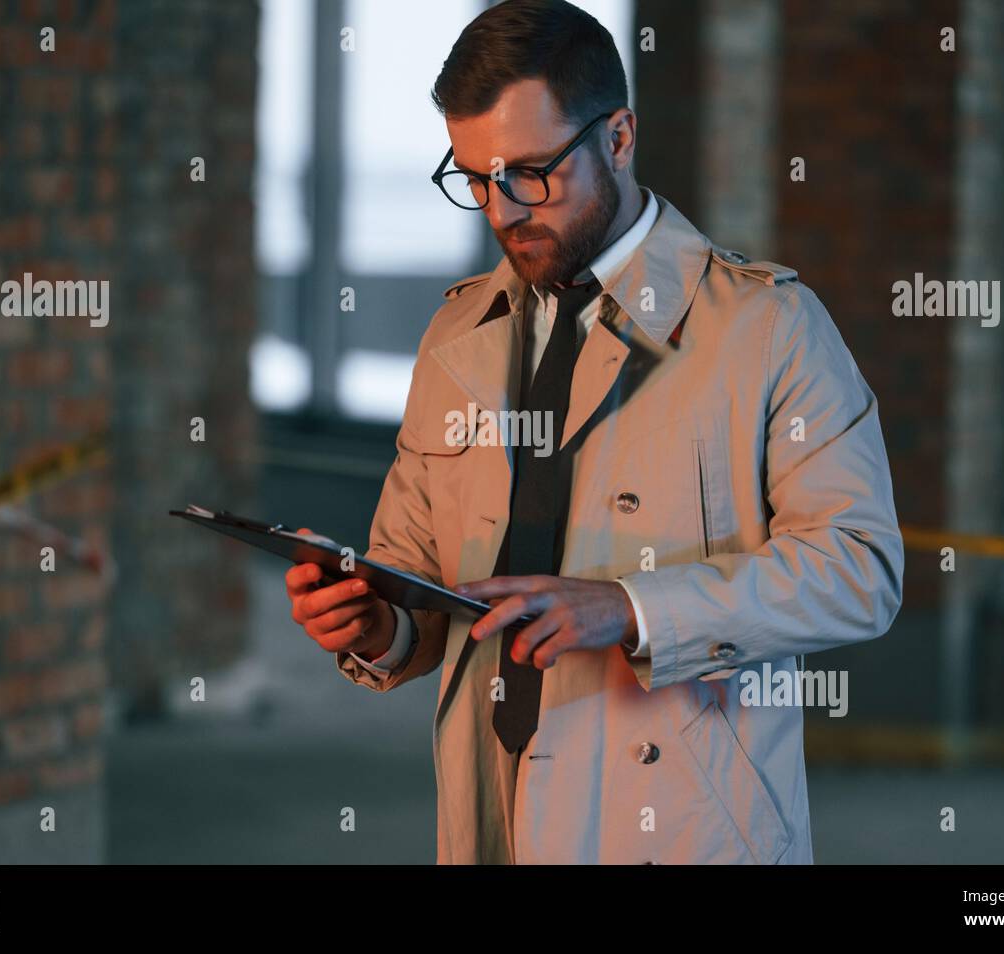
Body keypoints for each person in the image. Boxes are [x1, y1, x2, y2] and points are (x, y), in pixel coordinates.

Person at [285, 0, 903, 864]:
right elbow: (421, 599)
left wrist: (631, 607)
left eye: (531, 174)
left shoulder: (768, 327)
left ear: (618, 137)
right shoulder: (456, 335)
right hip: (487, 814)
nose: (500, 211)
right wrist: (368, 624)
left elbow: (860, 569)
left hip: (683, 826)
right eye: (474, 178)